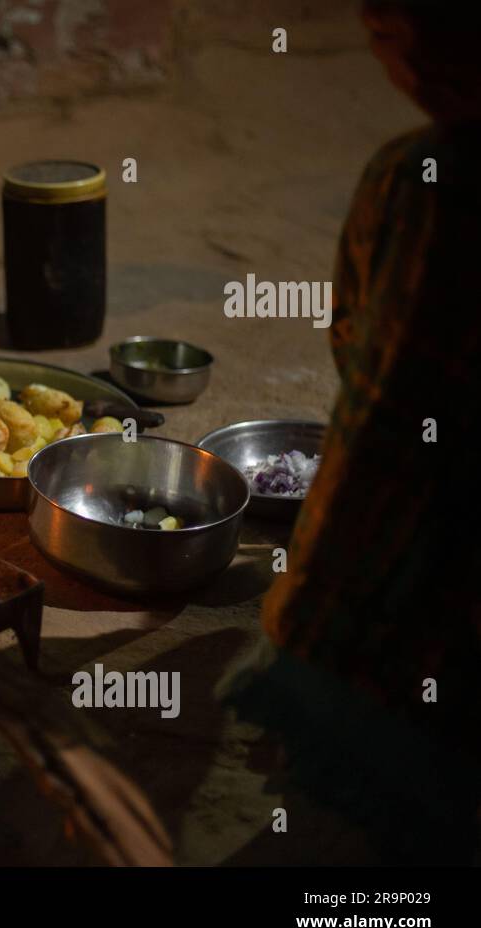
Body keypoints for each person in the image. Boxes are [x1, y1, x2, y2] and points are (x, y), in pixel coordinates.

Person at [230, 0, 481, 863]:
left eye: (391, 30)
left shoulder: (437, 187)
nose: (395, 55)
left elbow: (390, 437)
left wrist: (302, 642)